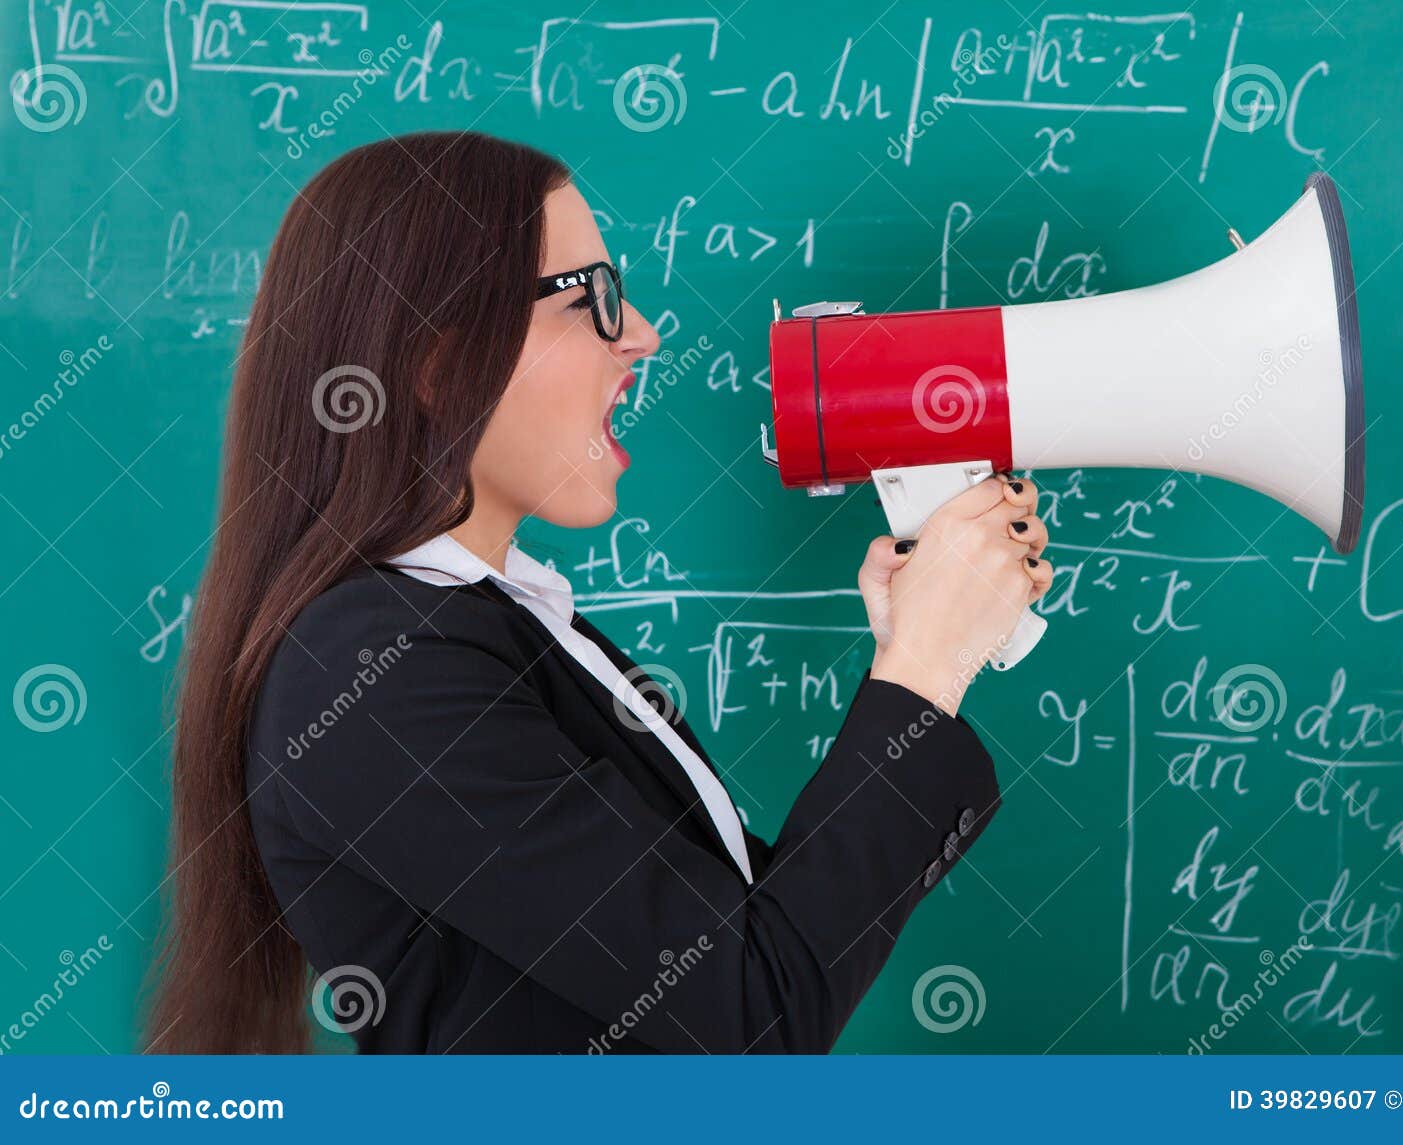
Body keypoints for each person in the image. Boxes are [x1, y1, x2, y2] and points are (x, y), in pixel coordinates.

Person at [145, 130, 1052, 1053]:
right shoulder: (377, 673)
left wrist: (918, 655)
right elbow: (754, 1011)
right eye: (595, 299)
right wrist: (922, 670)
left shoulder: (489, 629)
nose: (643, 336)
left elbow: (744, 945)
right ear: (434, 362)